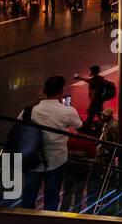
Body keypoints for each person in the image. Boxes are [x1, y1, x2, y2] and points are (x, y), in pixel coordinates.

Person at [16, 75, 82, 211]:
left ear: (44, 90)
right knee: (52, 197)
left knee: (28, 197)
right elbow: (79, 125)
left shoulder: (28, 112)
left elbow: (18, 128)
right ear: (61, 92)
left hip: (32, 161)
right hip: (56, 161)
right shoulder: (67, 111)